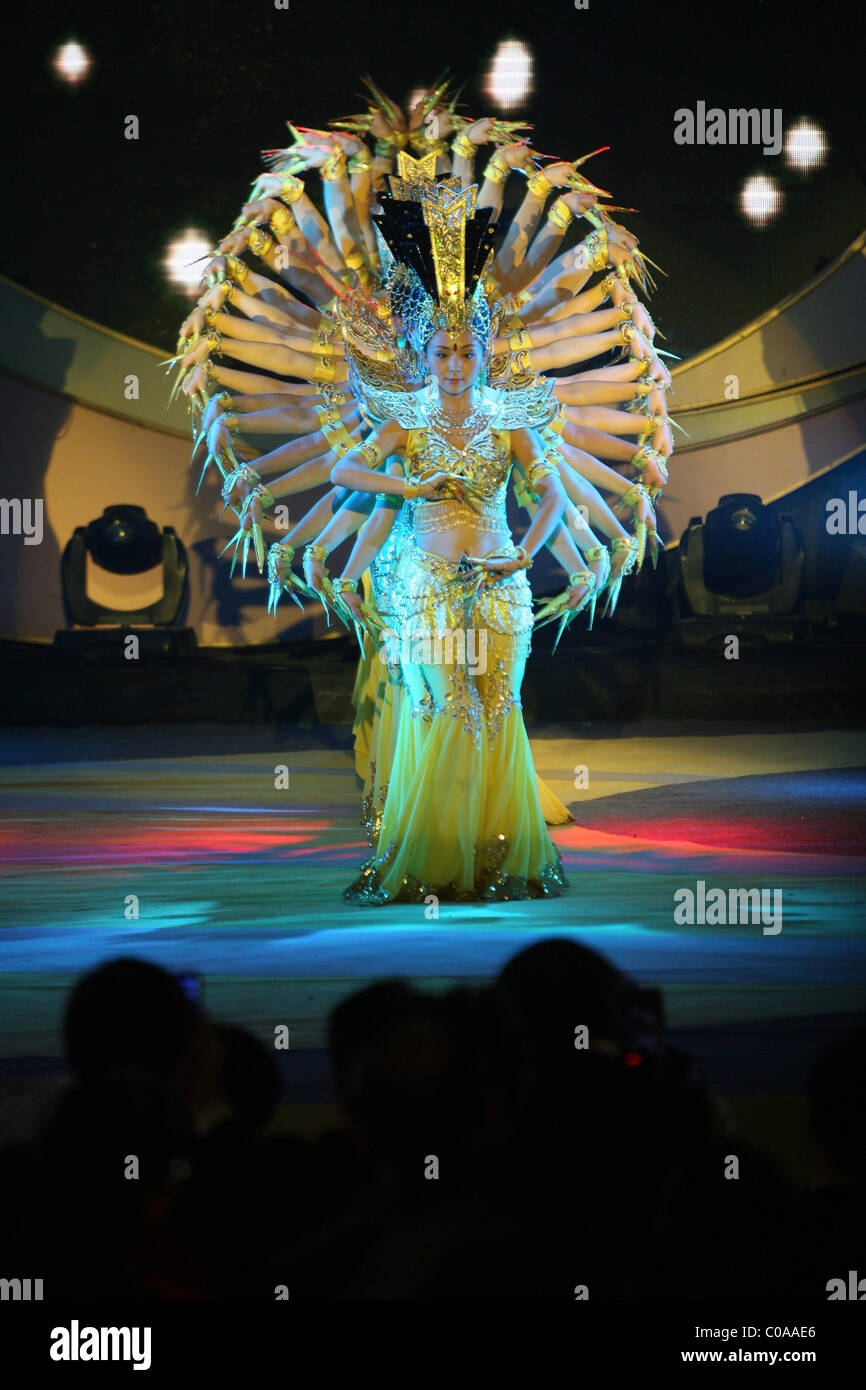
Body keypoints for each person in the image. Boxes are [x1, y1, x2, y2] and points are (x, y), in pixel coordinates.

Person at [168, 76, 674, 902]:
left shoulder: (513, 410)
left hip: (498, 579)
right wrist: (414, 486)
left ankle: (492, 851)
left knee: (493, 713)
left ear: (479, 350)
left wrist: (533, 558)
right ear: (424, 354)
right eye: (440, 352)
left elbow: (548, 492)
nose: (452, 363)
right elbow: (342, 469)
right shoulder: (399, 407)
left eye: (462, 351)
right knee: (437, 706)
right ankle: (429, 851)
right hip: (423, 575)